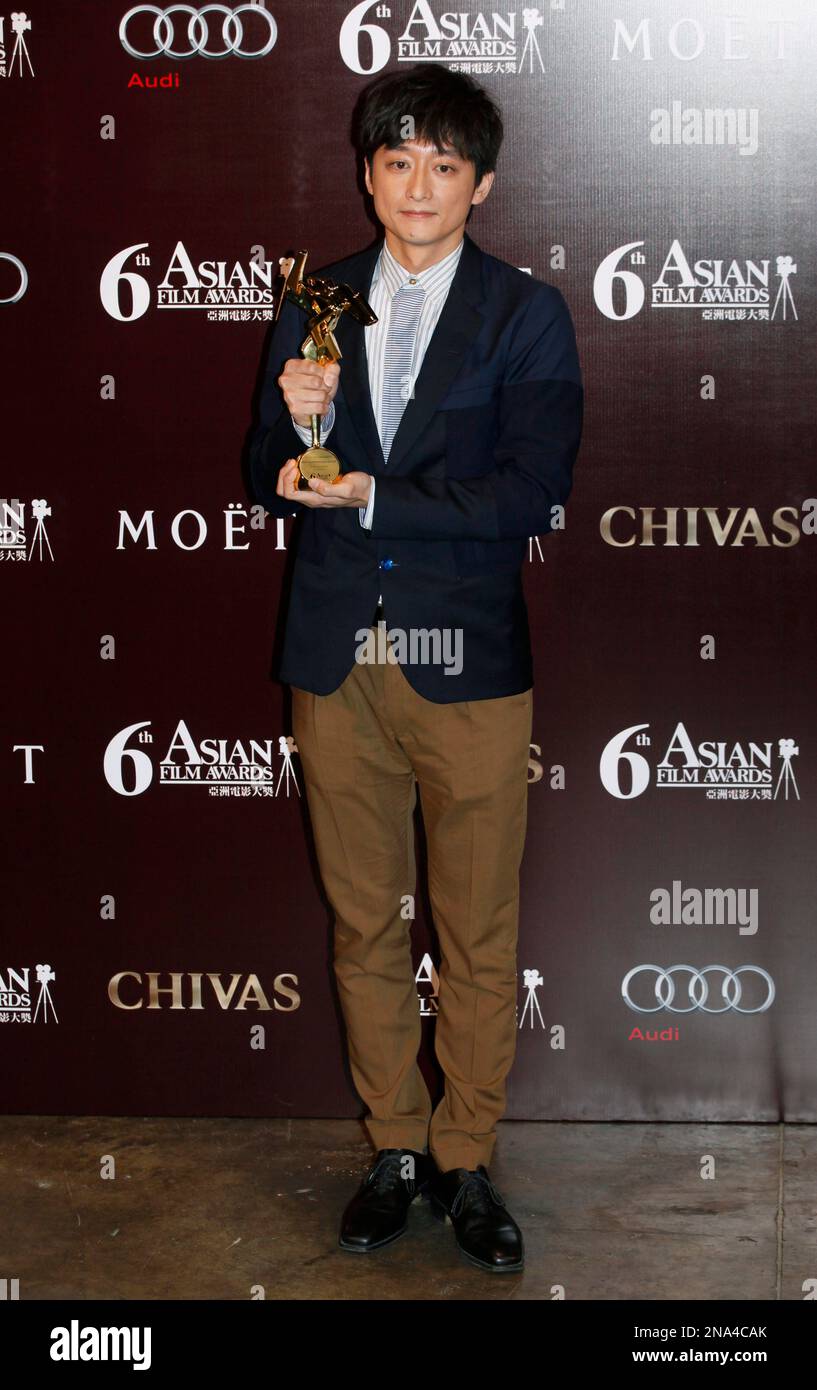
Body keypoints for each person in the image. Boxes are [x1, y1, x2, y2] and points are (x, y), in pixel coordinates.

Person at [248, 62, 583, 1274]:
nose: (417, 184)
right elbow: (264, 466)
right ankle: (394, 1146)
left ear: (480, 183)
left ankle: (465, 1155)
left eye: (444, 164)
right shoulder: (317, 297)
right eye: (397, 160)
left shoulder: (526, 313)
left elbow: (529, 492)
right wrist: (292, 441)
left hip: (468, 669)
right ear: (368, 172)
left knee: (477, 931)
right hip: (336, 658)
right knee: (360, 925)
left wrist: (374, 495)